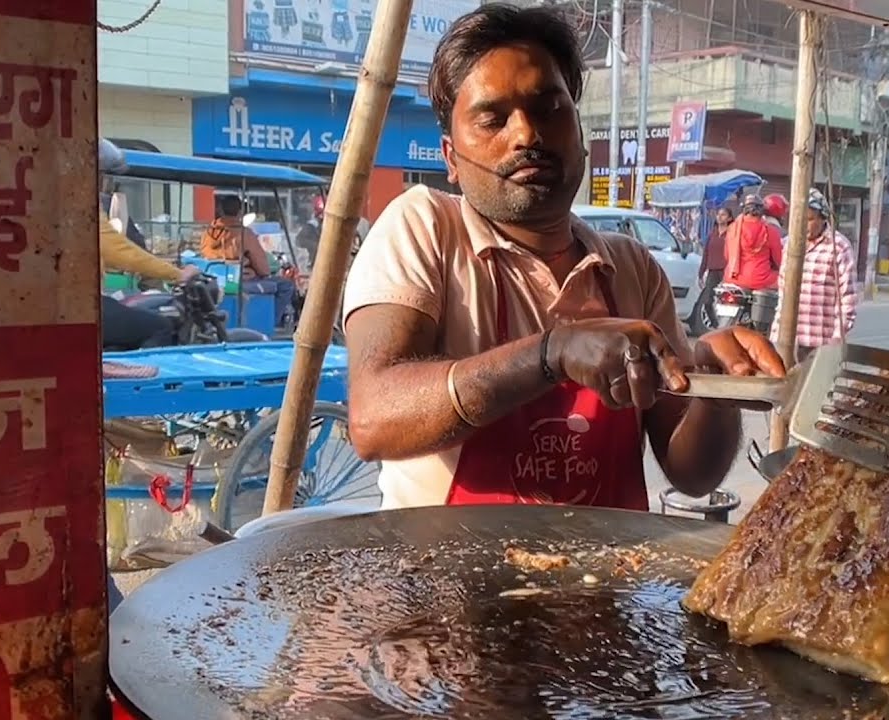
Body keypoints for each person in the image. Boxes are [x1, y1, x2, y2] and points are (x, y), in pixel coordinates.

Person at [342, 3, 784, 511]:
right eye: (493, 119)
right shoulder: (425, 227)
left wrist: (714, 390)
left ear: (580, 135)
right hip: (447, 564)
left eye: (549, 109)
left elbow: (693, 475)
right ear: (451, 159)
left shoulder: (632, 267)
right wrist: (551, 353)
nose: (526, 135)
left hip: (612, 564)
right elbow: (373, 419)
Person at [97, 139, 199, 349]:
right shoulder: (79, 207)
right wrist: (177, 274)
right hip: (80, 305)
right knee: (160, 327)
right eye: (102, 176)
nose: (104, 184)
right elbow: (119, 251)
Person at [772, 188, 857, 362]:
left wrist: (837, 338)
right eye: (799, 220)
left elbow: (847, 298)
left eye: (809, 220)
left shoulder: (839, 246)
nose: (803, 225)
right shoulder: (787, 244)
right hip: (783, 338)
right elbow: (782, 291)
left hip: (818, 341)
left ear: (823, 218)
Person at [202, 195, 296, 328]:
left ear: (220, 210)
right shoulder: (244, 233)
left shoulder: (208, 234)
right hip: (241, 280)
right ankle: (271, 324)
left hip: (215, 279)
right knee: (286, 285)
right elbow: (263, 269)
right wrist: (263, 271)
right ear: (240, 212)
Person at [723, 194, 782, 291]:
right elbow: (779, 260)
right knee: (784, 280)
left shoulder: (732, 228)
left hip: (732, 278)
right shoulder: (770, 231)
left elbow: (727, 256)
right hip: (760, 280)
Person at [692, 206, 733, 332]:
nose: (720, 217)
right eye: (718, 214)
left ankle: (726, 327)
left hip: (726, 271)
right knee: (707, 301)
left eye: (723, 215)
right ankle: (716, 326)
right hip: (713, 271)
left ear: (729, 218)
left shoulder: (732, 234)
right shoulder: (712, 233)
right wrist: (701, 273)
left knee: (725, 302)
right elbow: (706, 253)